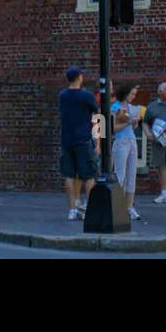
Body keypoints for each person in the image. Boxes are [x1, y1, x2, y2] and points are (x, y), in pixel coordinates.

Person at [58, 66, 98, 220]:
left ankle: (72, 209)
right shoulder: (86, 96)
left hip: (67, 139)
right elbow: (97, 113)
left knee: (69, 175)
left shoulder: (62, 96)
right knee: (89, 175)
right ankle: (90, 207)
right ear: (80, 77)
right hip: (83, 139)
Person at [110, 83, 142, 219]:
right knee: (120, 174)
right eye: (132, 94)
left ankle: (129, 207)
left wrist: (134, 122)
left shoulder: (129, 107)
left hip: (131, 140)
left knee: (131, 175)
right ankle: (118, 206)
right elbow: (112, 129)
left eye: (135, 94)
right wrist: (129, 122)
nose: (133, 97)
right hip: (121, 141)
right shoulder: (115, 107)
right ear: (125, 93)